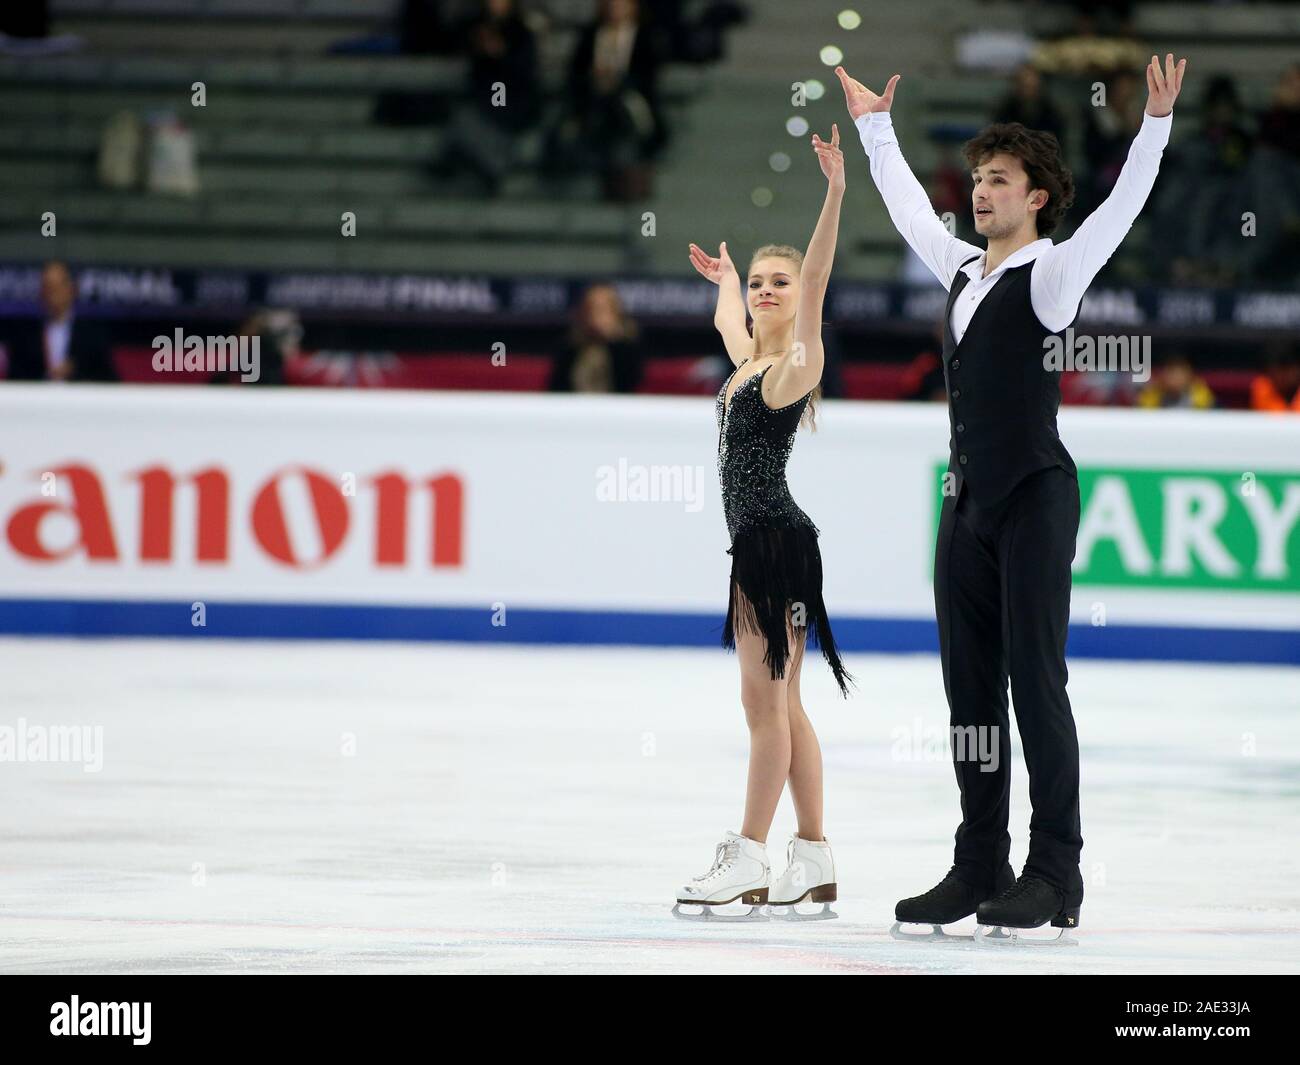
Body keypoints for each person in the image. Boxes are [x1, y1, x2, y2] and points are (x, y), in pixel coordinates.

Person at [838, 52, 1185, 941]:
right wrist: (877, 129)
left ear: (1036, 197)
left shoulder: (1053, 275)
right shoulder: (962, 272)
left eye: (998, 180)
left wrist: (1153, 126)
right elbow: (912, 208)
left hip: (1035, 496)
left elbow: (1120, 213)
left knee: (1036, 682)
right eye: (979, 177)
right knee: (969, 699)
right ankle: (979, 860)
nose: (979, 191)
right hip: (966, 508)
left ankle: (1056, 871)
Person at [673, 124, 855, 923]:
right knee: (787, 706)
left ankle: (747, 853)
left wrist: (837, 193)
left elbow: (815, 280)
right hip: (767, 542)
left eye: (775, 281)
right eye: (758, 281)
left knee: (764, 708)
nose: (766, 290)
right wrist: (720, 279)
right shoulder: (748, 353)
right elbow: (725, 326)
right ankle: (811, 854)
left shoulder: (793, 366)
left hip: (773, 542)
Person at [3, 260, 116, 382]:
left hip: (78, 398)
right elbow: (14, 381)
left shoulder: (91, 334)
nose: (51, 295)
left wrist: (75, 372)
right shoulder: (25, 334)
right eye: (47, 288)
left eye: (56, 288)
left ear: (71, 289)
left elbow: (108, 380)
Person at [547, 284, 643, 393]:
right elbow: (556, 388)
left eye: (602, 310)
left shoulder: (628, 346)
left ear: (615, 312)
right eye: (590, 309)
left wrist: (612, 339)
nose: (595, 316)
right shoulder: (570, 347)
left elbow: (630, 384)